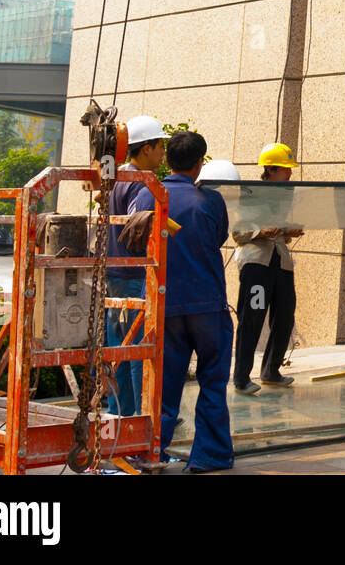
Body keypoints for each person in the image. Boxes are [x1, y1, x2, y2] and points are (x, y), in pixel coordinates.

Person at [130, 130, 234, 472]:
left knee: (162, 383)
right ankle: (210, 455)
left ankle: (153, 452)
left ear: (167, 158)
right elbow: (218, 238)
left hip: (164, 304)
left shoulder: (148, 196)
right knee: (213, 381)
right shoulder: (211, 200)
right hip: (206, 304)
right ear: (199, 162)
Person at [103, 114, 167, 417]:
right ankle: (139, 417)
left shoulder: (117, 178)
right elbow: (137, 232)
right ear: (145, 149)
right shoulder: (140, 184)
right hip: (131, 275)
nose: (162, 153)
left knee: (118, 349)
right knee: (137, 352)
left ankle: (118, 413)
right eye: (159, 147)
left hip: (113, 273)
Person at [229, 143, 303, 395]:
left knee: (285, 315)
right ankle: (241, 378)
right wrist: (261, 231)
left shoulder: (287, 195)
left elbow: (283, 230)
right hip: (257, 263)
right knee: (253, 317)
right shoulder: (251, 194)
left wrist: (289, 230)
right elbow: (238, 232)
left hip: (280, 262)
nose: (289, 174)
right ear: (270, 169)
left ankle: (271, 370)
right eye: (285, 169)